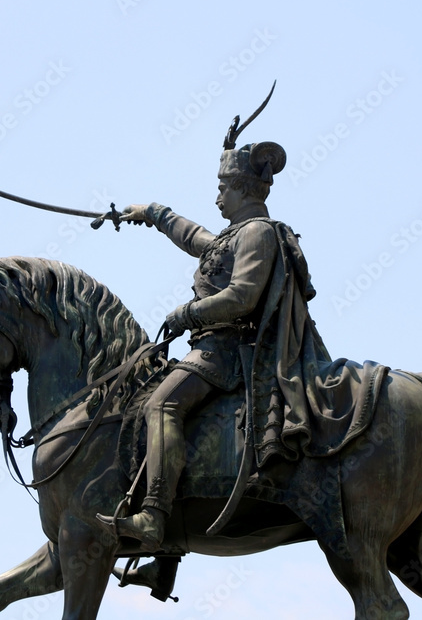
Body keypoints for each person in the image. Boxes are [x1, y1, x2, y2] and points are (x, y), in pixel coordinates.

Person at [96, 137, 293, 550]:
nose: (218, 195)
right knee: (143, 404)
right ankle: (166, 555)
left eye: (223, 188)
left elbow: (242, 297)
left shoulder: (258, 233)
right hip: (210, 349)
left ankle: (152, 515)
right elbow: (195, 238)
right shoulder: (234, 236)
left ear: (242, 189)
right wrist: (152, 213)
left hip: (227, 351)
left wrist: (185, 314)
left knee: (161, 404)